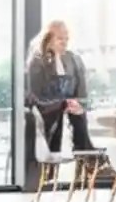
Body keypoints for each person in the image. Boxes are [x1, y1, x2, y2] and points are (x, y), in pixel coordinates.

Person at [26, 20, 96, 153]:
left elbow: (82, 93)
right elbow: (35, 98)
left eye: (66, 39)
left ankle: (85, 154)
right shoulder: (37, 63)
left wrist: (78, 105)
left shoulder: (73, 60)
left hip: (70, 114)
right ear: (48, 39)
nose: (64, 42)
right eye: (60, 38)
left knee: (79, 117)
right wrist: (61, 104)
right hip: (48, 117)